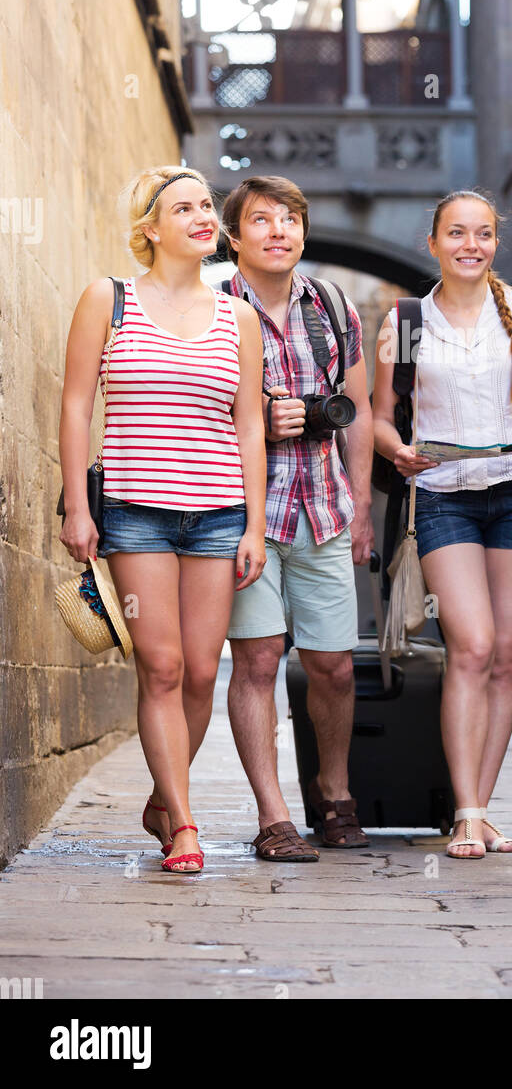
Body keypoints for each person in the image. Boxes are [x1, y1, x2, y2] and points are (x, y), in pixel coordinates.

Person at [58, 166, 267, 874]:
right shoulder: (107, 300)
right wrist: (78, 507)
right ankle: (183, 823)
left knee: (204, 674)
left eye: (207, 205)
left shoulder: (238, 315)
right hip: (136, 514)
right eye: (184, 208)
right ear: (150, 227)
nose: (204, 216)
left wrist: (254, 524)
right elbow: (77, 404)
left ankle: (161, 795)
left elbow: (249, 429)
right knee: (163, 666)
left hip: (216, 516)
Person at [372, 189, 512, 858]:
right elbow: (378, 416)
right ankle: (463, 811)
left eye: (483, 234)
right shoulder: (405, 320)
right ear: (433, 243)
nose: (470, 245)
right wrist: (395, 449)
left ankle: (481, 807)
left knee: (507, 654)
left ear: (495, 242)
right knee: (474, 645)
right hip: (442, 495)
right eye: (456, 234)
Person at [221, 177, 375, 861]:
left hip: (324, 505)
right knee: (257, 660)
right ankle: (273, 815)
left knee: (335, 665)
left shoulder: (334, 306)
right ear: (235, 238)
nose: (279, 230)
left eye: (291, 219)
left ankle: (332, 791)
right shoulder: (212, 306)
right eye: (262, 220)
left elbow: (360, 410)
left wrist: (363, 505)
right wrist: (255, 418)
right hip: (244, 514)